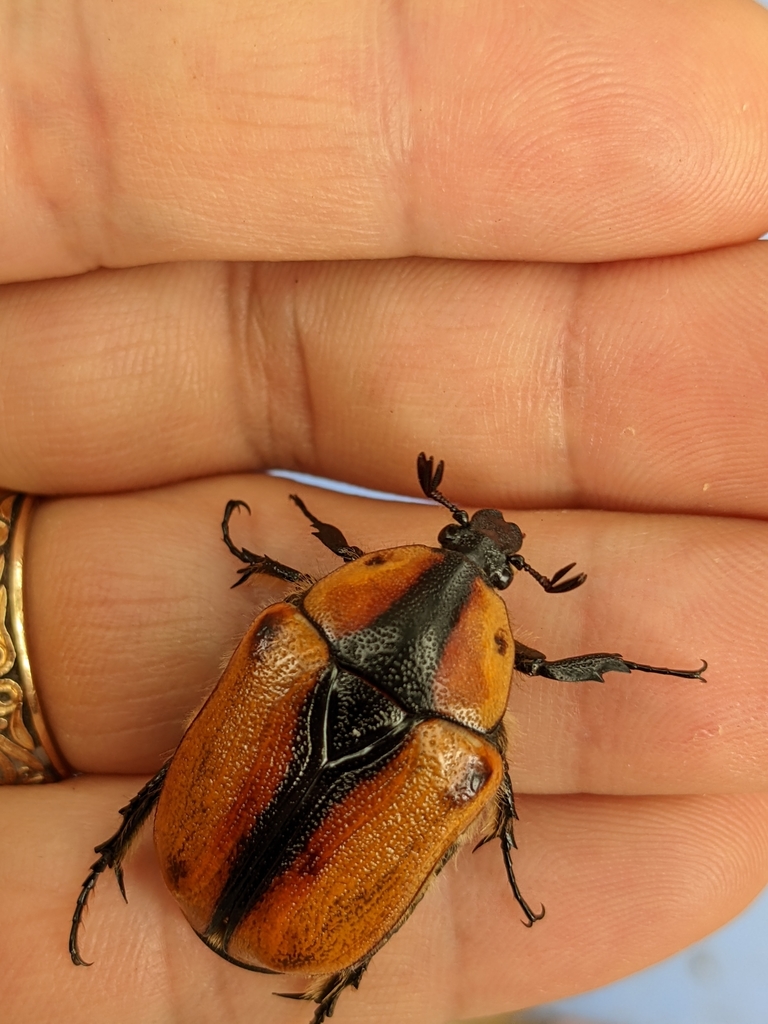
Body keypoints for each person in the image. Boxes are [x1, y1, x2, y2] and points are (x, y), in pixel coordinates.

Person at [2, 1, 768, 1022]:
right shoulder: (428, 723)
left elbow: (325, 563)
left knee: (442, 770)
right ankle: (329, 980)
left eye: (474, 551)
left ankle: (238, 924)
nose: (480, 545)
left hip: (231, 870)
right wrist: (643, 669)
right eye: (472, 546)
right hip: (274, 892)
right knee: (469, 800)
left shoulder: (297, 634)